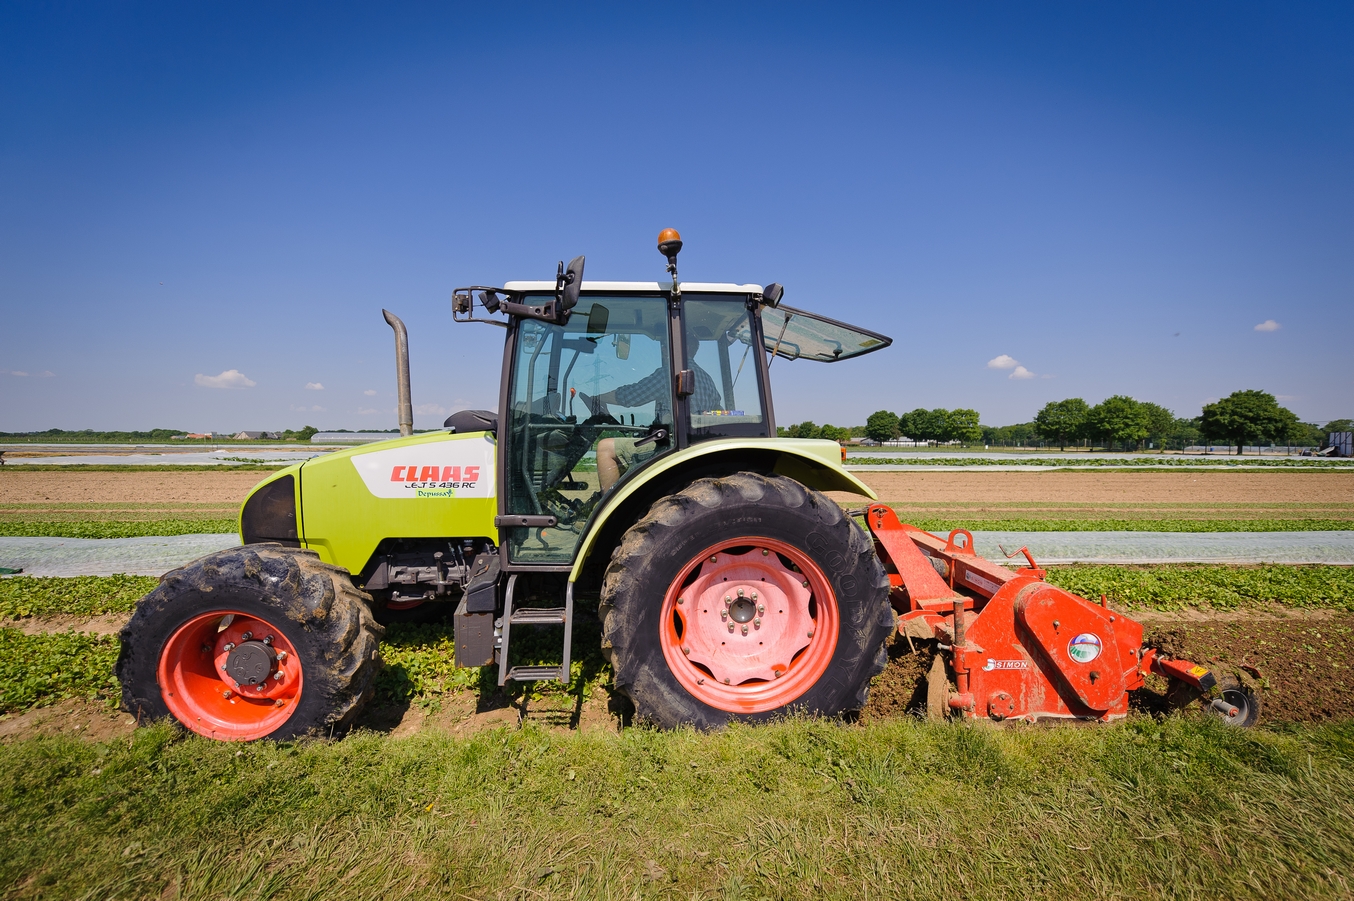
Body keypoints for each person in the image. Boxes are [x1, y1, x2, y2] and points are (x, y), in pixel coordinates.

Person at [577, 332, 722, 490]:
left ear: (684, 348)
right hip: (696, 442)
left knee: (605, 447)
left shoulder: (670, 374)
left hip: (671, 444)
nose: (663, 349)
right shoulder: (707, 379)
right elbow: (718, 410)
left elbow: (632, 395)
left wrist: (598, 398)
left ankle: (611, 503)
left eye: (666, 345)